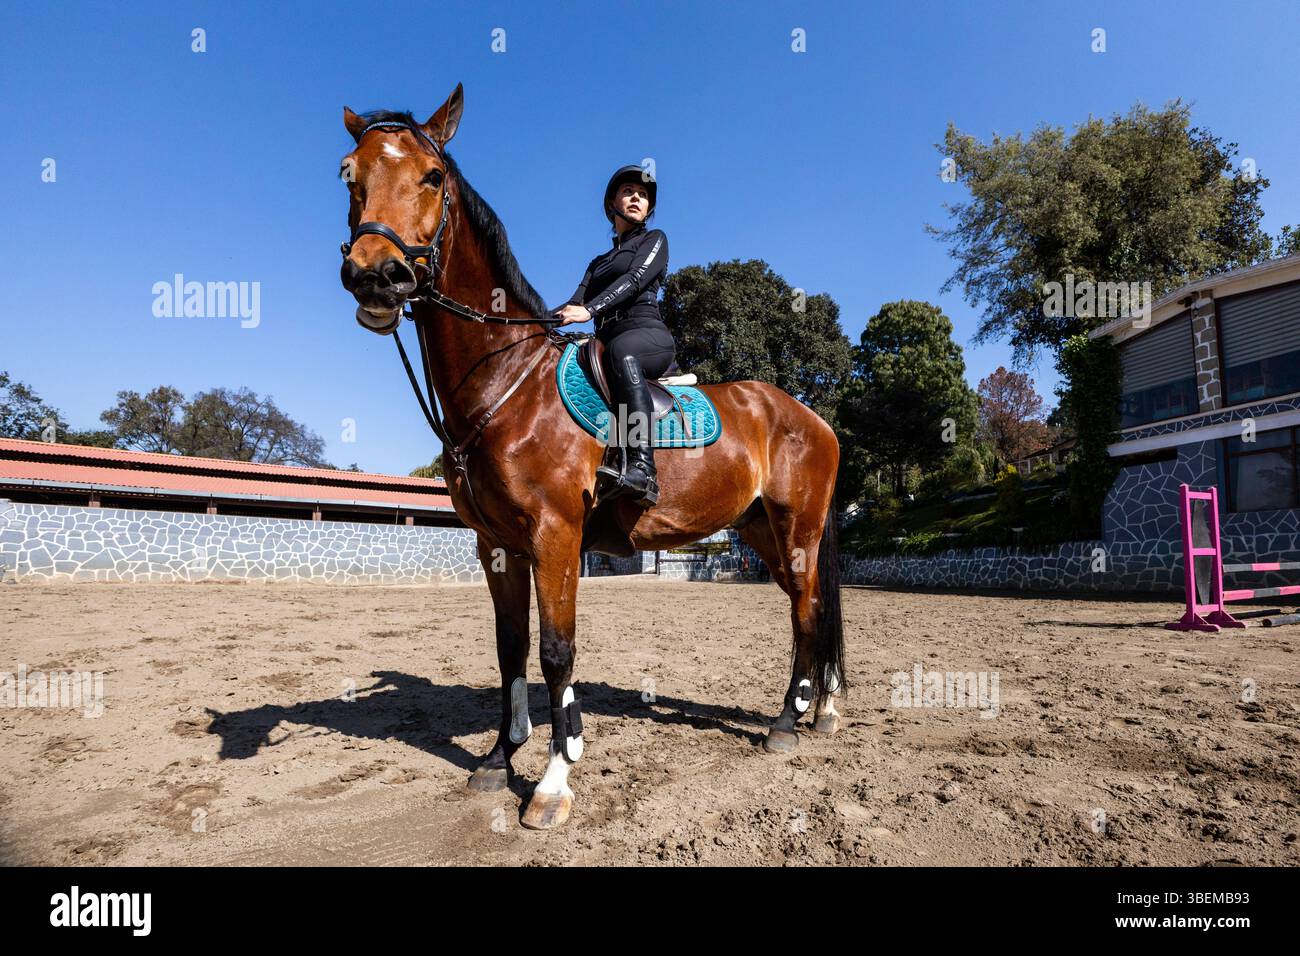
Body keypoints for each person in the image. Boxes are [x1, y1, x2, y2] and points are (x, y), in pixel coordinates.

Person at [552, 165, 674, 506]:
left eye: (643, 194)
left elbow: (635, 280)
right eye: (628, 191)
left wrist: (590, 311)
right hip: (605, 342)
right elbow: (573, 303)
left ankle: (642, 469)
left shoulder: (655, 239)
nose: (637, 197)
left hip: (647, 336)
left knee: (622, 351)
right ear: (612, 204)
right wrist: (528, 321)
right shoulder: (598, 262)